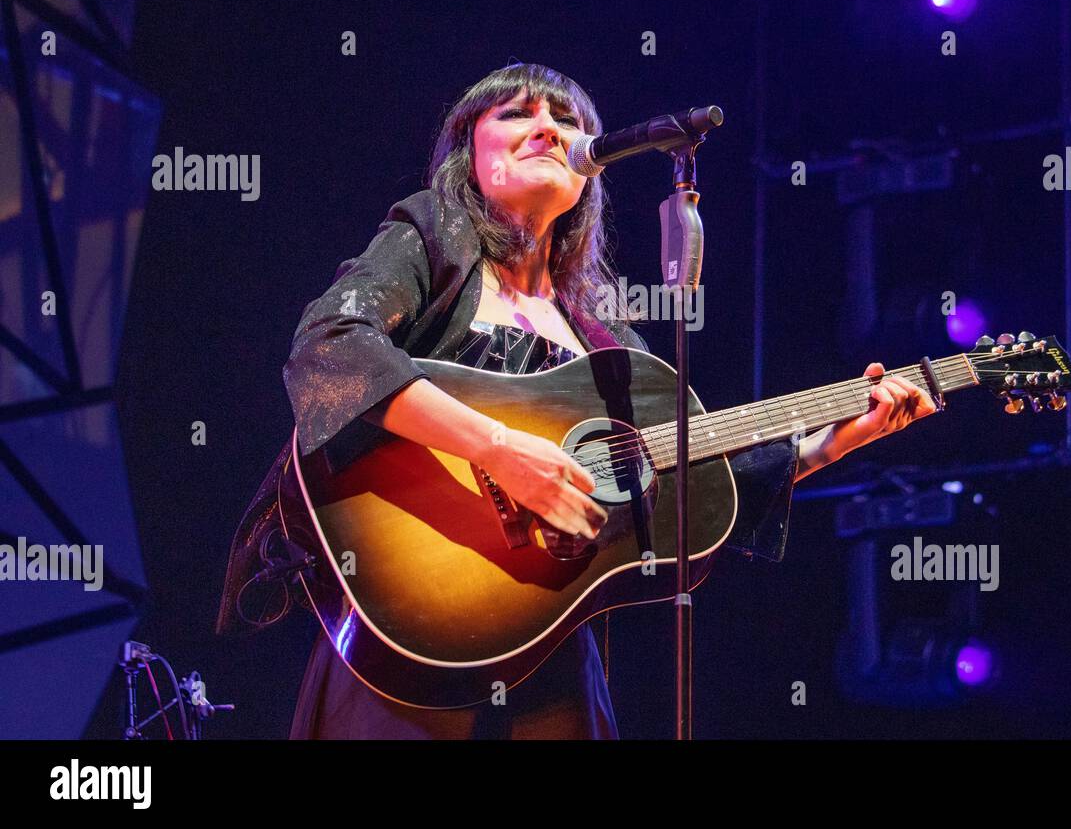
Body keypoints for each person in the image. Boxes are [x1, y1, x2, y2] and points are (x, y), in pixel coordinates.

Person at [214, 62, 935, 738]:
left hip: (550, 647)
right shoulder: (429, 236)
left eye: (565, 117)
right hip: (411, 621)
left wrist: (836, 442)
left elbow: (694, 482)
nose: (548, 127)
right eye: (516, 112)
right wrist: (498, 449)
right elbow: (330, 344)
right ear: (468, 150)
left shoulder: (608, 347)